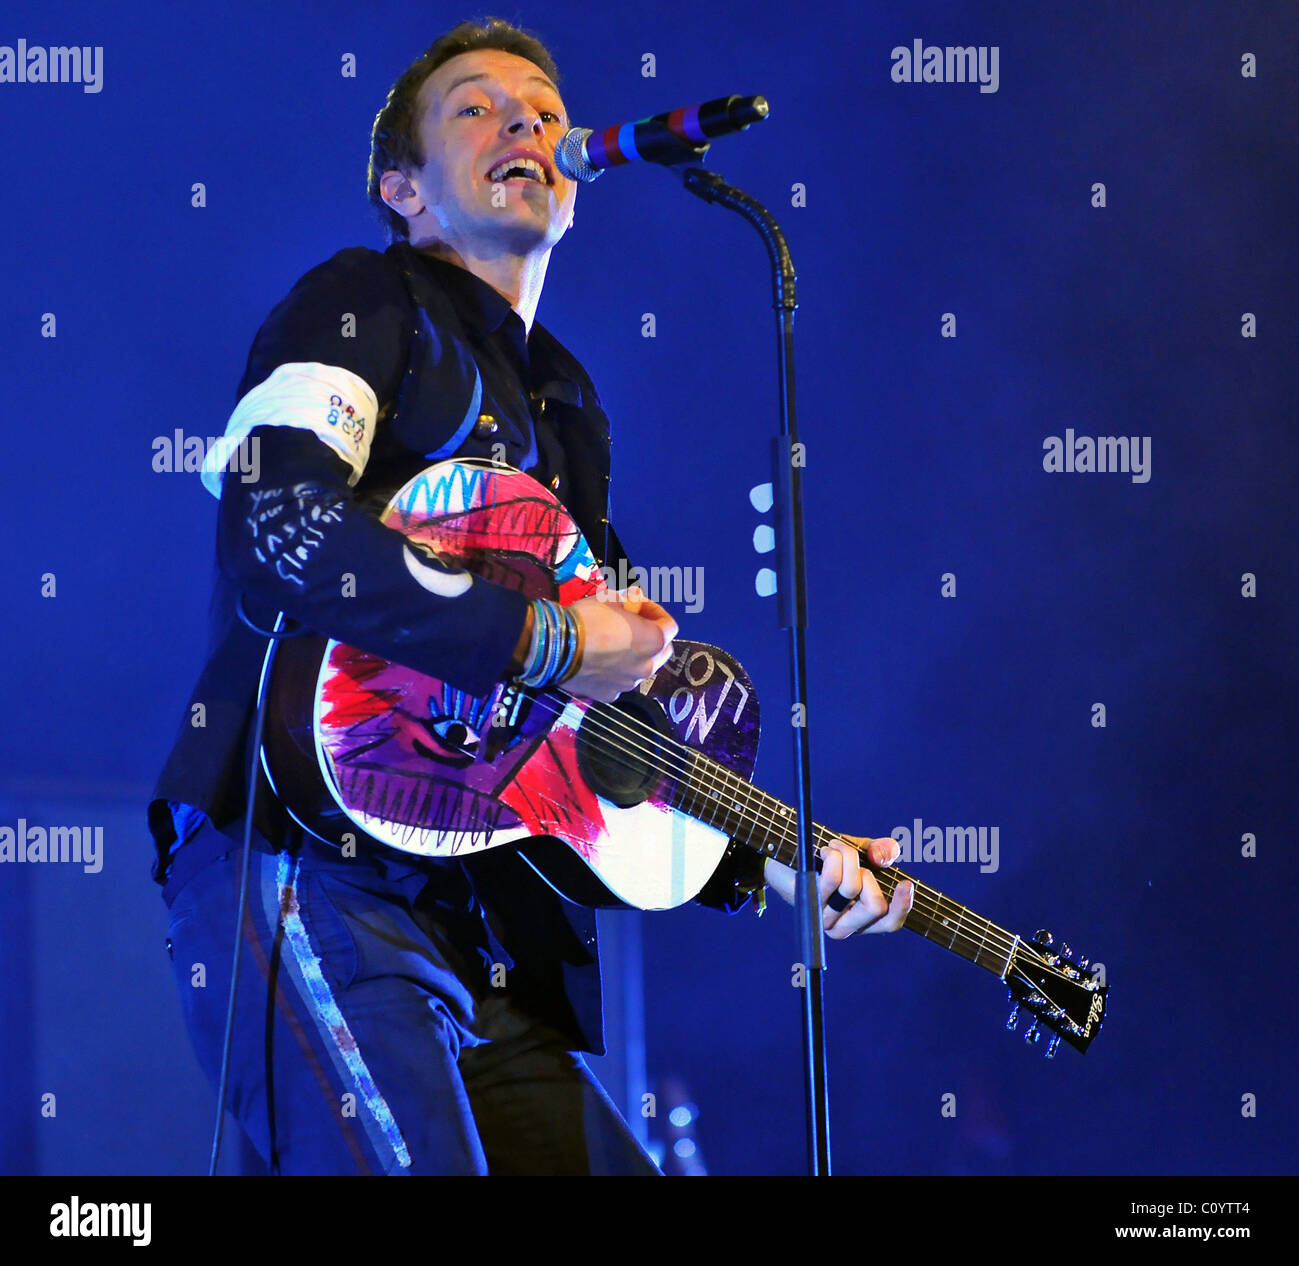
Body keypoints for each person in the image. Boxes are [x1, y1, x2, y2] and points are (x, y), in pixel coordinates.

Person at [148, 17, 914, 1176]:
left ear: (575, 181)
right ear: (400, 188)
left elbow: (583, 741)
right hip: (313, 866)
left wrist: (775, 858)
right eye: (478, 107)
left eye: (546, 112)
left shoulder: (565, 401)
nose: (526, 124)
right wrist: (552, 638)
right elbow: (278, 523)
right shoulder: (361, 302)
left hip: (490, 922)